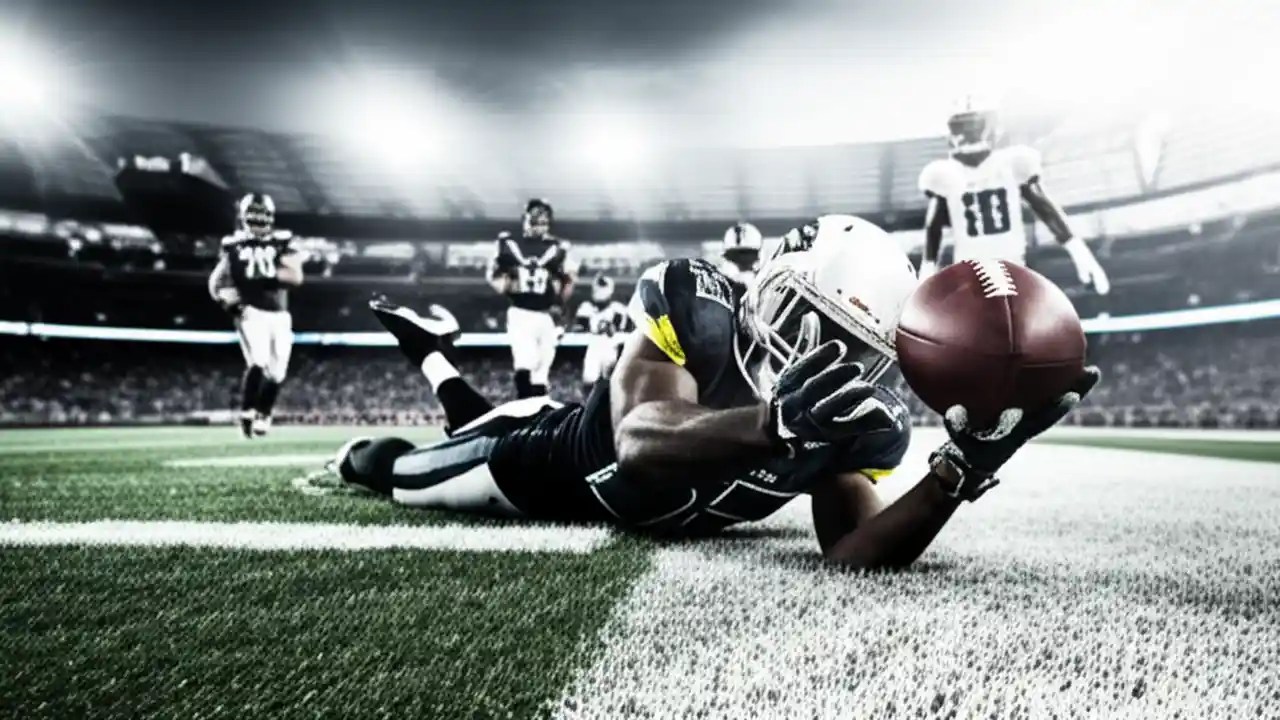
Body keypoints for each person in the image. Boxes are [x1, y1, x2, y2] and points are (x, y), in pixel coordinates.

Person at [323, 215, 1098, 568]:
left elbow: (852, 552)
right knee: (396, 473)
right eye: (802, 319)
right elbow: (636, 441)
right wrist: (776, 423)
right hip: (551, 472)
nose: (815, 353)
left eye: (850, 347)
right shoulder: (697, 303)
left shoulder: (857, 420)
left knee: (489, 412)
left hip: (604, 448)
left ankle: (435, 358)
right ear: (764, 288)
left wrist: (953, 475)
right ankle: (425, 365)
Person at [918, 96, 1110, 295]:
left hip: (1006, 269)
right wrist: (927, 268)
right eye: (961, 127)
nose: (968, 133)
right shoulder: (955, 172)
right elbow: (934, 226)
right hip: (979, 271)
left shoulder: (1004, 164)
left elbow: (1043, 206)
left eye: (973, 126)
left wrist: (1079, 251)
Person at [207, 192, 304, 438]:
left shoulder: (284, 241)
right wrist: (224, 298)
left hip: (280, 315)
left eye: (262, 216)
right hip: (252, 312)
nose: (258, 222)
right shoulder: (233, 245)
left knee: (278, 371)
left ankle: (264, 412)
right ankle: (247, 412)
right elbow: (216, 281)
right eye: (253, 216)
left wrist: (265, 277)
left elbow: (296, 276)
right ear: (243, 218)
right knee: (258, 361)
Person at [485, 198, 576, 399]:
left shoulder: (557, 247)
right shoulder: (508, 243)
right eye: (535, 217)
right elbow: (493, 275)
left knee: (541, 373)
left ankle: (537, 418)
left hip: (546, 314)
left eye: (543, 219)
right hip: (521, 312)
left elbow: (569, 280)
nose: (539, 222)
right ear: (525, 218)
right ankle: (524, 414)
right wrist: (504, 284)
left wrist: (560, 301)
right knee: (526, 363)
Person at [573, 274, 632, 398]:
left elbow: (623, 331)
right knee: (589, 380)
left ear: (610, 290)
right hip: (594, 346)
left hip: (610, 347)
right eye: (598, 287)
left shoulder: (618, 309)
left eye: (603, 287)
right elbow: (579, 329)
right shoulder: (586, 308)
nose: (600, 291)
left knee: (610, 381)